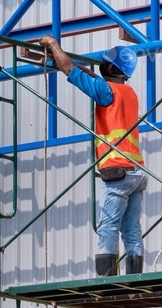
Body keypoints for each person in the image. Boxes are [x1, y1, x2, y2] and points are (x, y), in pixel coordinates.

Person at [38, 36, 146, 277]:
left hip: (118, 171)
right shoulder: (128, 92)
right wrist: (65, 60)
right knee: (131, 228)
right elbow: (91, 76)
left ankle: (106, 279)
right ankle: (135, 277)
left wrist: (54, 45)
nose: (101, 66)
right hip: (137, 171)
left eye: (105, 63)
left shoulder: (107, 92)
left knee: (108, 225)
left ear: (111, 69)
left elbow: (71, 71)